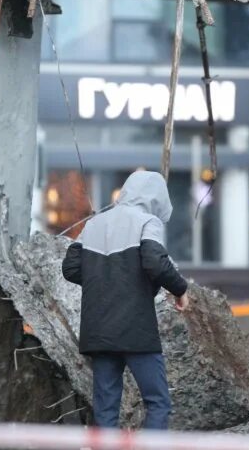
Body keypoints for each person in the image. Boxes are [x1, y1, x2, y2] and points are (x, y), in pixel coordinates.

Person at [62, 170, 189, 430]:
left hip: (99, 330)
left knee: (106, 408)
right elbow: (155, 262)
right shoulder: (147, 222)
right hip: (136, 329)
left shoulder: (94, 224)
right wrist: (180, 289)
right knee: (157, 402)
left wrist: (104, 282)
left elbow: (71, 268)